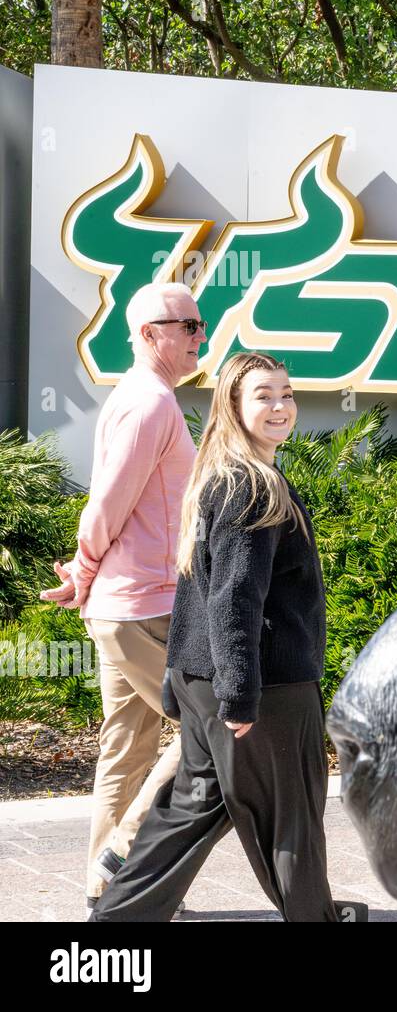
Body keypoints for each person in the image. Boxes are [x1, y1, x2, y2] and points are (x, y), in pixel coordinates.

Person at [88, 351, 338, 922]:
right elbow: (233, 599)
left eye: (287, 393)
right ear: (232, 405)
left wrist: (184, 684)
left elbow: (195, 589)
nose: (280, 406)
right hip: (262, 689)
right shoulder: (253, 487)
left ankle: (113, 926)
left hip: (207, 682)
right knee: (291, 822)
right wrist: (239, 696)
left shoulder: (220, 478)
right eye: (263, 395)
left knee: (190, 809)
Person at [41, 282, 204, 917]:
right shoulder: (150, 404)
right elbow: (107, 503)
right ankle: (122, 854)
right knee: (210, 726)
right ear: (149, 335)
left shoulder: (141, 399)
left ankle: (105, 891)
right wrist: (84, 569)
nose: (199, 335)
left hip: (124, 604)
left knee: (127, 748)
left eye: (199, 324)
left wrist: (86, 579)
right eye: (187, 325)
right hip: (144, 608)